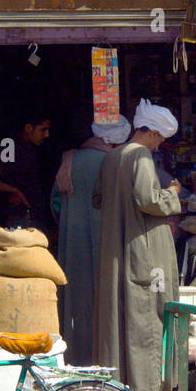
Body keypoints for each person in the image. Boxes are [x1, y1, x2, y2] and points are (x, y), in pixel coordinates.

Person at [92, 99, 183, 391]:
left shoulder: (112, 157)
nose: (160, 147)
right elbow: (148, 200)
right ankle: (149, 389)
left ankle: (121, 383)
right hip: (142, 250)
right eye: (162, 140)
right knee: (147, 314)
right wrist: (171, 194)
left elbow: (97, 198)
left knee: (123, 313)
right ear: (153, 133)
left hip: (118, 247)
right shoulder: (141, 156)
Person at [51, 113, 131, 366]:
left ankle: (73, 356)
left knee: (75, 299)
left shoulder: (71, 160)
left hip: (71, 242)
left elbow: (55, 204)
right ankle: (103, 360)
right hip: (105, 243)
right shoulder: (114, 163)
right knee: (105, 301)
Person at [0, 107, 54, 237]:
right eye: (43, 130)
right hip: (23, 222)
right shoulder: (13, 148)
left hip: (32, 219)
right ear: (28, 128)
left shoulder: (31, 149)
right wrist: (13, 191)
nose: (47, 135)